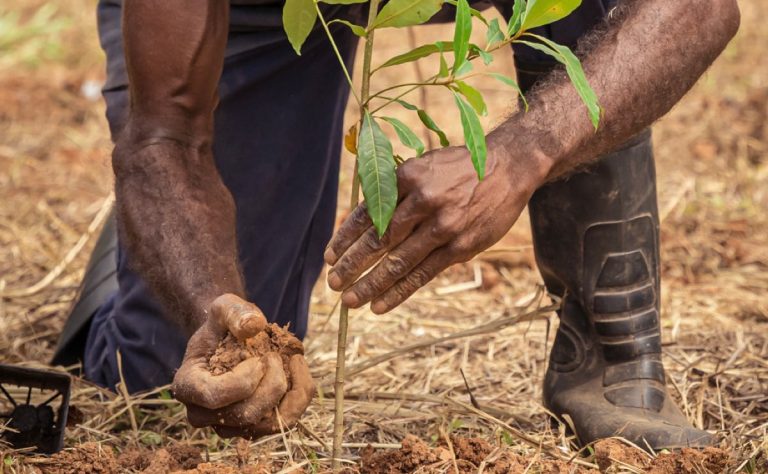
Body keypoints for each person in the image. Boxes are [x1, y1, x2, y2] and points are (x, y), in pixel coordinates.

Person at [52, 0, 739, 448]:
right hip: (259, 15)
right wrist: (208, 300)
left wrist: (520, 154)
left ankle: (609, 363)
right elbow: (162, 136)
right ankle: (152, 231)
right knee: (198, 380)